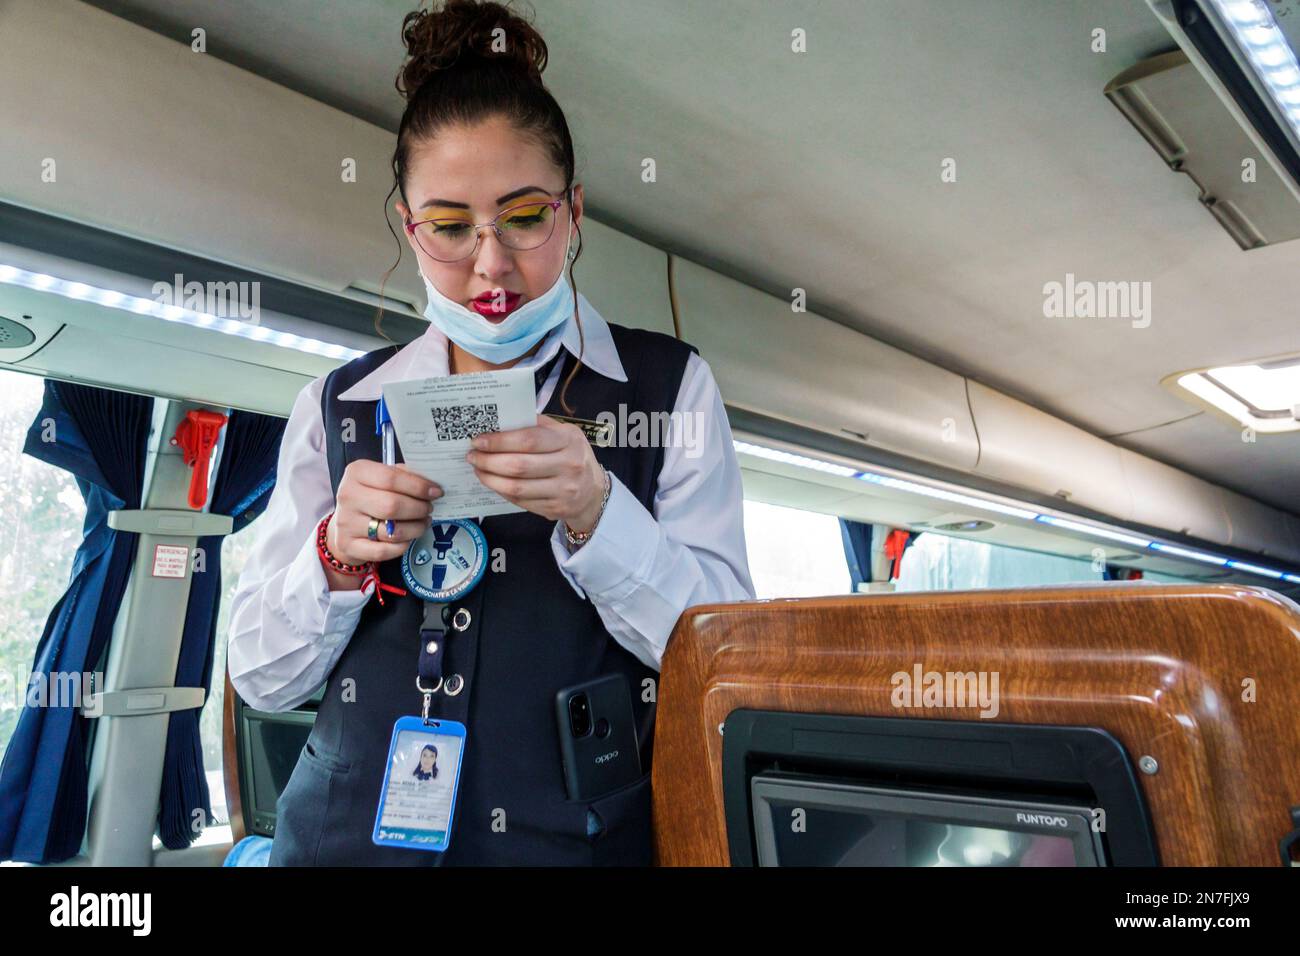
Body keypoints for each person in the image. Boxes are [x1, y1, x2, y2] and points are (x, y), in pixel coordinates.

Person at [227, 0, 754, 866]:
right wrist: (334, 558)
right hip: (341, 840)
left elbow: (725, 664)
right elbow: (260, 675)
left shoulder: (669, 389)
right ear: (410, 226)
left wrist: (597, 511)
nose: (490, 264)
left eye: (524, 216)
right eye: (448, 225)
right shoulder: (339, 405)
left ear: (574, 212)